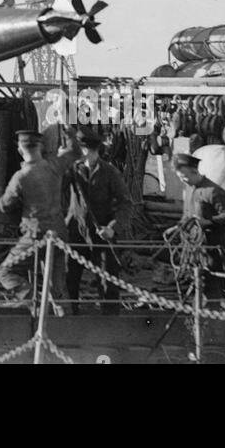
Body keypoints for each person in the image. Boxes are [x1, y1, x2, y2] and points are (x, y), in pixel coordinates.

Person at [0, 129, 67, 304]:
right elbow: (75, 152)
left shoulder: (21, 176)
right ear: (40, 147)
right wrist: (69, 130)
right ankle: (63, 320)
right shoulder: (54, 167)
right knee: (56, 286)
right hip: (59, 234)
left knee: (5, 272)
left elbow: (5, 205)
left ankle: (33, 301)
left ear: (20, 149)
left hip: (36, 235)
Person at [64, 127, 130, 314]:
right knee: (71, 279)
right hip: (77, 232)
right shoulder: (72, 170)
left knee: (107, 282)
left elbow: (126, 204)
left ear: (88, 150)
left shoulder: (110, 173)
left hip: (102, 235)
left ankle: (109, 325)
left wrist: (113, 228)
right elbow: (57, 189)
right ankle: (72, 321)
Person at [172, 153, 225, 306]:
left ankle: (215, 322)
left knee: (213, 288)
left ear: (195, 171)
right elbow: (187, 215)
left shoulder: (213, 191)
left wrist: (207, 222)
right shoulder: (190, 190)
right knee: (201, 286)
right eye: (180, 177)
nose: (183, 180)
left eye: (185, 177)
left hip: (215, 249)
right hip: (197, 251)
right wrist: (177, 227)